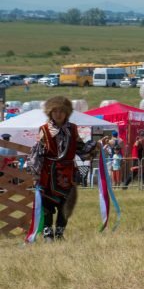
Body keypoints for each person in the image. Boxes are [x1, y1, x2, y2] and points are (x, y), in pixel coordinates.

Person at [28, 96, 93, 240]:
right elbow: (37, 153)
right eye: (55, 111)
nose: (58, 114)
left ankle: (59, 232)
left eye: (62, 111)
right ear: (50, 113)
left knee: (66, 204)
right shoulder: (44, 130)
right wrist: (35, 175)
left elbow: (81, 148)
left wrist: (94, 148)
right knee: (47, 205)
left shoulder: (72, 129)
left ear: (67, 113)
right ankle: (47, 233)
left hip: (68, 174)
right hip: (48, 173)